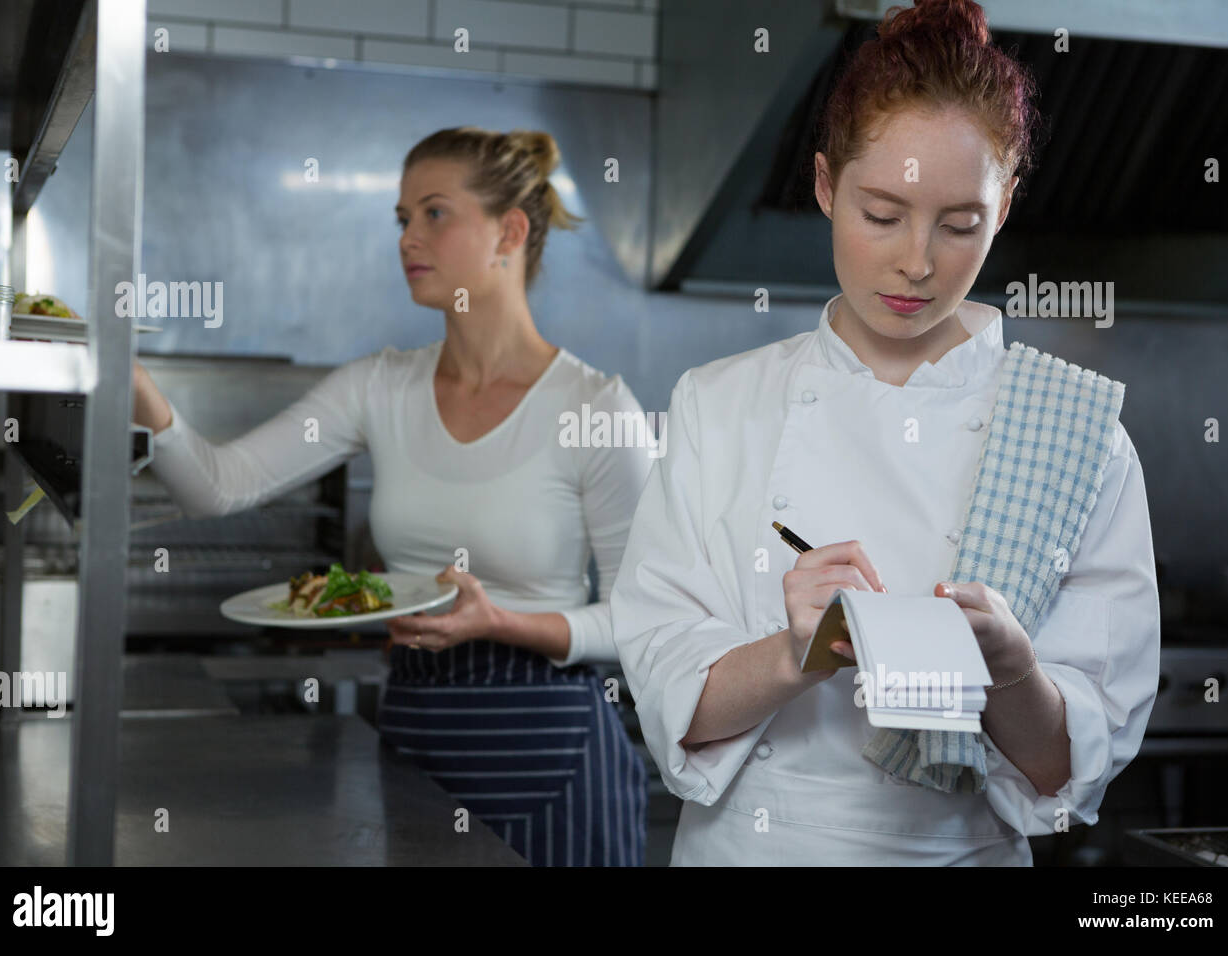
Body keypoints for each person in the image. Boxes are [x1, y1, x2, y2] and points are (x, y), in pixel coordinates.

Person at [609, 0, 1159, 865]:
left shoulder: (1078, 436)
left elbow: (1064, 773)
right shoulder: (720, 407)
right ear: (826, 185)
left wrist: (1011, 669)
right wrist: (799, 652)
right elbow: (666, 696)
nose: (917, 261)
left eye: (959, 224)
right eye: (880, 212)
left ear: (1006, 206)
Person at [134, 127, 651, 866]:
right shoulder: (379, 386)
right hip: (414, 732)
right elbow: (218, 486)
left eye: (433, 213)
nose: (408, 236)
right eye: (402, 218)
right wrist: (141, 394)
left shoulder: (596, 406)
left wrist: (499, 621)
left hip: (548, 749)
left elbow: (643, 623)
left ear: (510, 231)